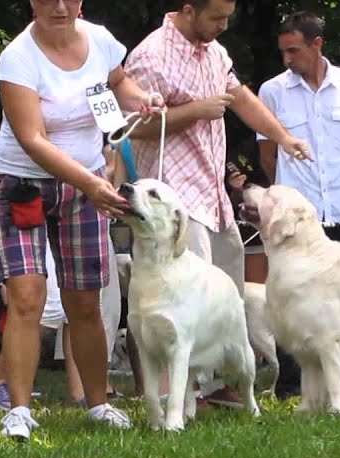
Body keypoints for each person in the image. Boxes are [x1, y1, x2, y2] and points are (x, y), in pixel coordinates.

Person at [0, 0, 164, 441]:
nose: (60, 7)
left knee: (85, 299)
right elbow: (32, 139)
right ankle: (18, 412)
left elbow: (118, 82)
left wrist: (142, 99)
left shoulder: (100, 40)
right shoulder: (17, 58)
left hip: (85, 182)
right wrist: (92, 183)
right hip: (20, 182)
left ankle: (98, 404)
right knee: (26, 296)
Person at [123, 0, 312, 408]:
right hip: (174, 198)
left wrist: (283, 137)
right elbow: (133, 125)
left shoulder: (215, 52)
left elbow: (240, 98)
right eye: (216, 17)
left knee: (226, 293)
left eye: (228, 17)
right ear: (189, 10)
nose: (223, 25)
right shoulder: (151, 55)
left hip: (212, 193)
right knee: (184, 299)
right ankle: (181, 395)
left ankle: (214, 384)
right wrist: (195, 111)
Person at [257, 12, 340, 228]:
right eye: (283, 52)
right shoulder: (272, 91)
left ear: (317, 43)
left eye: (293, 51)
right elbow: (267, 158)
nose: (287, 60)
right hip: (294, 221)